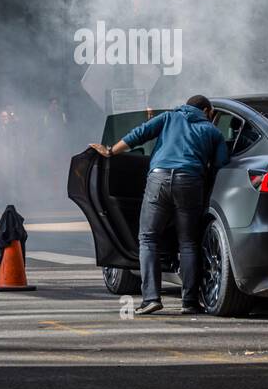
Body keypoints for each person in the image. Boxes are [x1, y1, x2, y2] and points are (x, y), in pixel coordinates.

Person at [90, 95, 229, 315]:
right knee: (188, 242)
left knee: (148, 238)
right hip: (191, 181)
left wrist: (111, 151)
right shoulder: (213, 132)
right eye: (211, 114)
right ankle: (190, 301)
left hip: (159, 179)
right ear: (206, 110)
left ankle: (151, 299)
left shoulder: (168, 118)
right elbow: (221, 165)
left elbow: (139, 134)